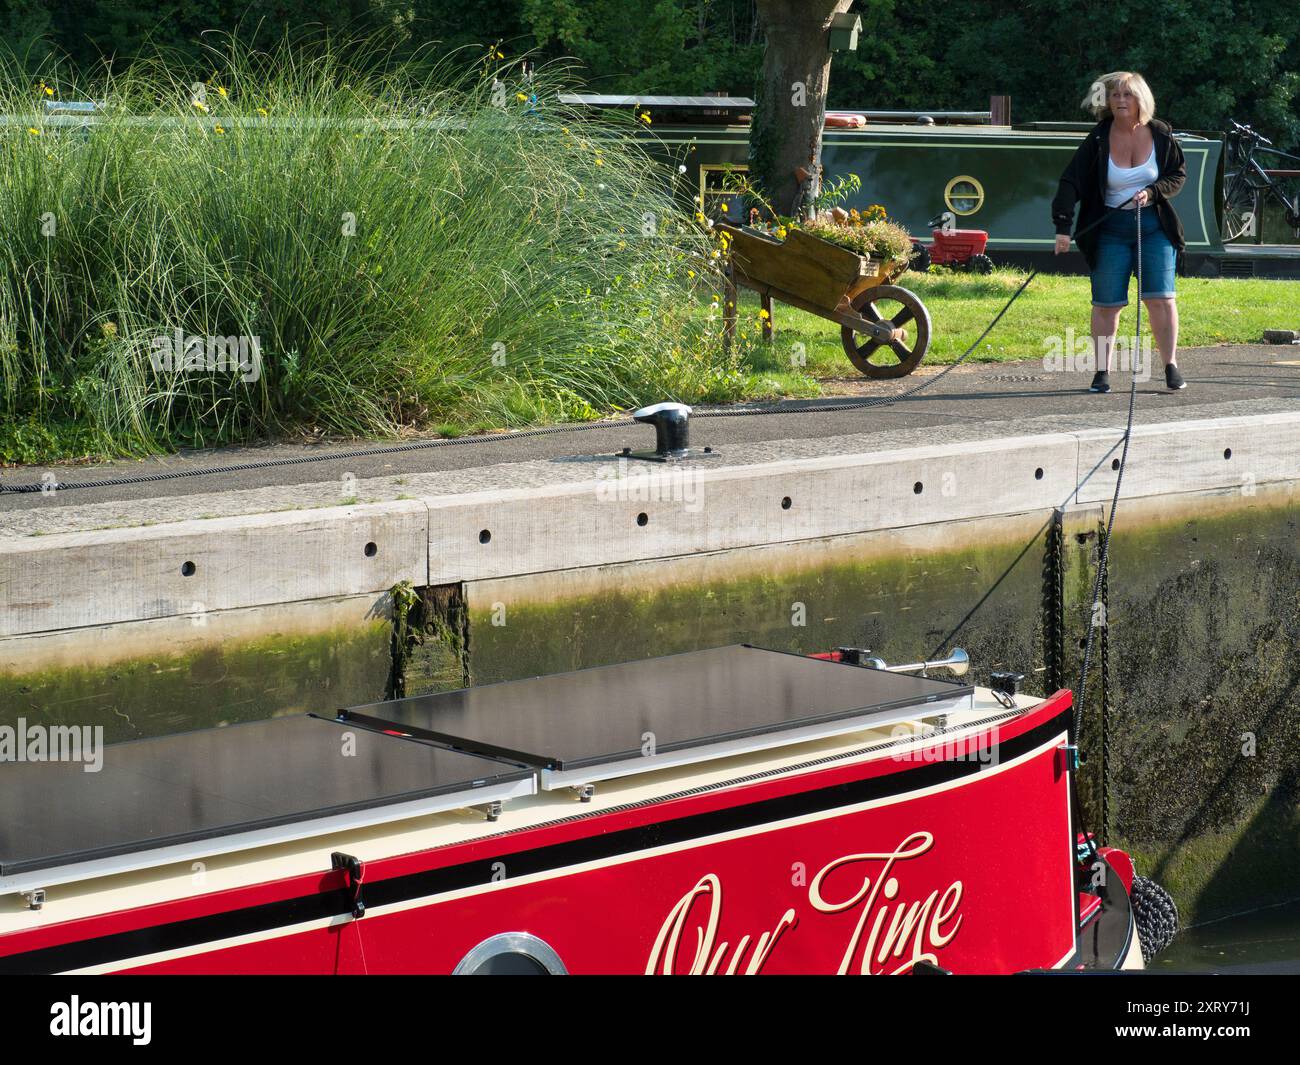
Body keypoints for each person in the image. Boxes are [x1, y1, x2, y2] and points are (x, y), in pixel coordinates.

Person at [1052, 71, 1187, 393]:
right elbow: (1071, 181)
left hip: (1153, 227)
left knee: (1161, 299)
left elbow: (1176, 175)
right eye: (1115, 95)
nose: (1121, 101)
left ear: (1142, 99)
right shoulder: (1098, 137)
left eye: (1127, 95)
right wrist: (1062, 227)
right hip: (1109, 228)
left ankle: (1170, 365)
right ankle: (1101, 373)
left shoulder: (1161, 135)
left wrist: (1152, 192)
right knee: (1106, 304)